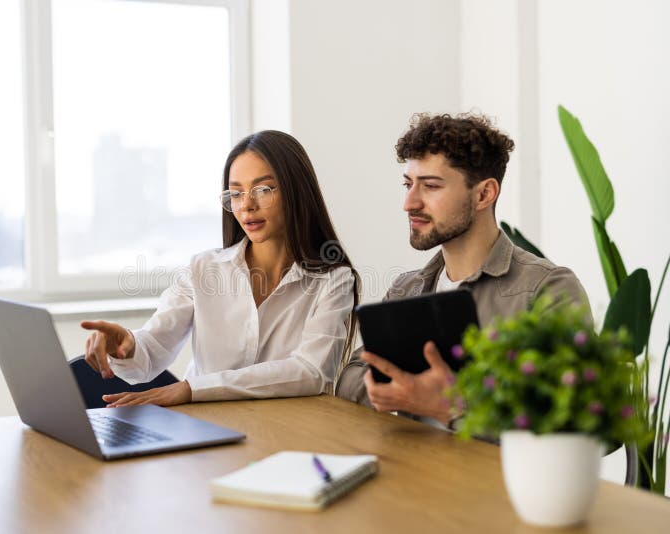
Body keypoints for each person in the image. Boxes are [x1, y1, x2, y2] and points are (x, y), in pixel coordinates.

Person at [335, 112, 589, 428]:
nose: (409, 203)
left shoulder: (546, 289)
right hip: (414, 467)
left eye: (430, 186)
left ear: (484, 194)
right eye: (408, 184)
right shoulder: (407, 289)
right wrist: (390, 389)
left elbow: (575, 416)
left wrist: (453, 405)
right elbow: (350, 377)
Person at [80, 130, 359, 408]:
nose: (247, 206)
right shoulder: (203, 269)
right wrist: (126, 345)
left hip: (287, 432)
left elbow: (310, 372)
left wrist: (194, 389)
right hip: (207, 427)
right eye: (236, 194)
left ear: (296, 191)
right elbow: (152, 350)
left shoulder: (333, 281)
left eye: (263, 189)